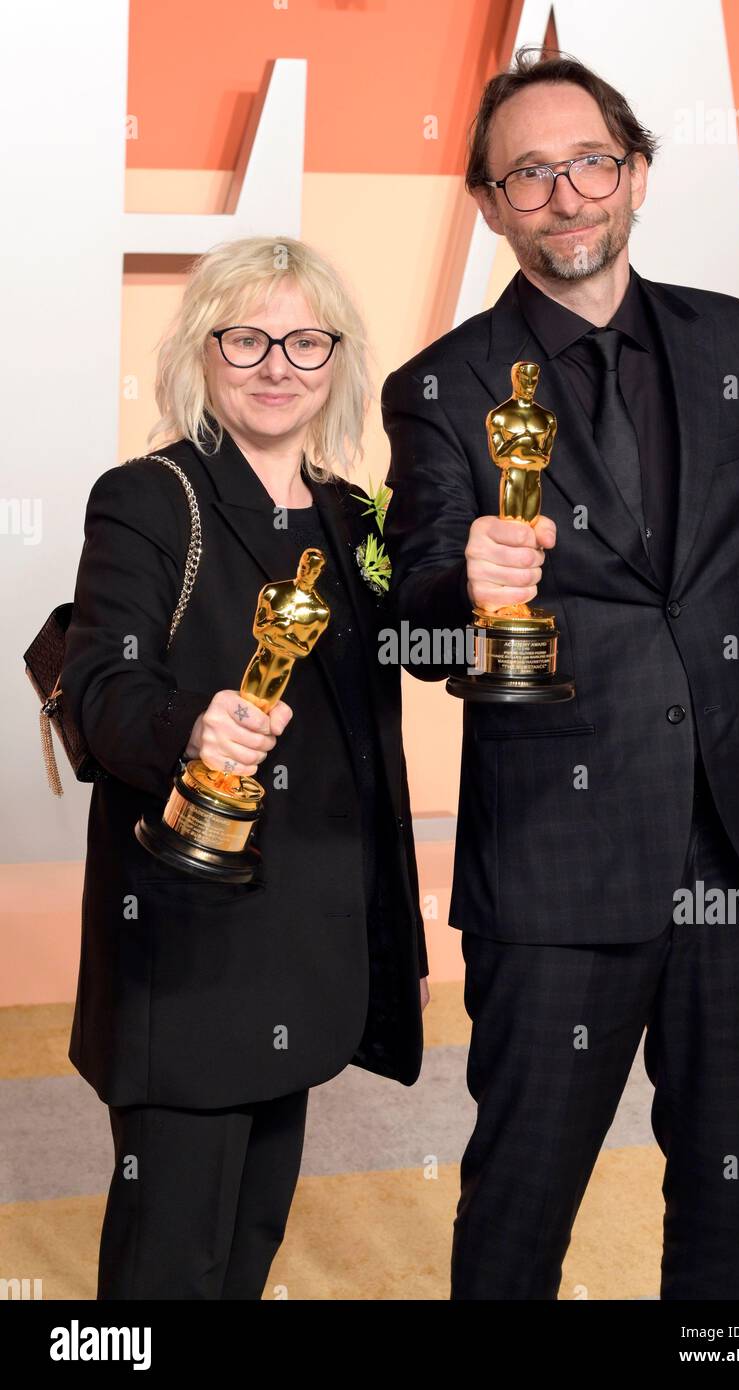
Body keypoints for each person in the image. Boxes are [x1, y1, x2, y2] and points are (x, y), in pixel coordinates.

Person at [381, 48, 739, 1299]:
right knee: (518, 1221)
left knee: (731, 1217)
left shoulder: (731, 339)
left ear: (636, 175)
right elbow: (420, 597)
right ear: (488, 203)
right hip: (556, 873)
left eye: (591, 162)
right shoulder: (442, 387)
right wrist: (460, 588)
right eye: (529, 174)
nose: (567, 194)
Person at [61, 235, 430, 1300]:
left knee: (250, 1244)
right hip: (191, 940)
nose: (279, 363)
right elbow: (102, 690)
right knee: (167, 1262)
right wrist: (194, 726)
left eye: (306, 340)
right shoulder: (148, 497)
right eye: (249, 337)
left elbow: (409, 658)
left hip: (310, 939)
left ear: (338, 358)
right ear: (202, 351)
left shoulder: (354, 516)